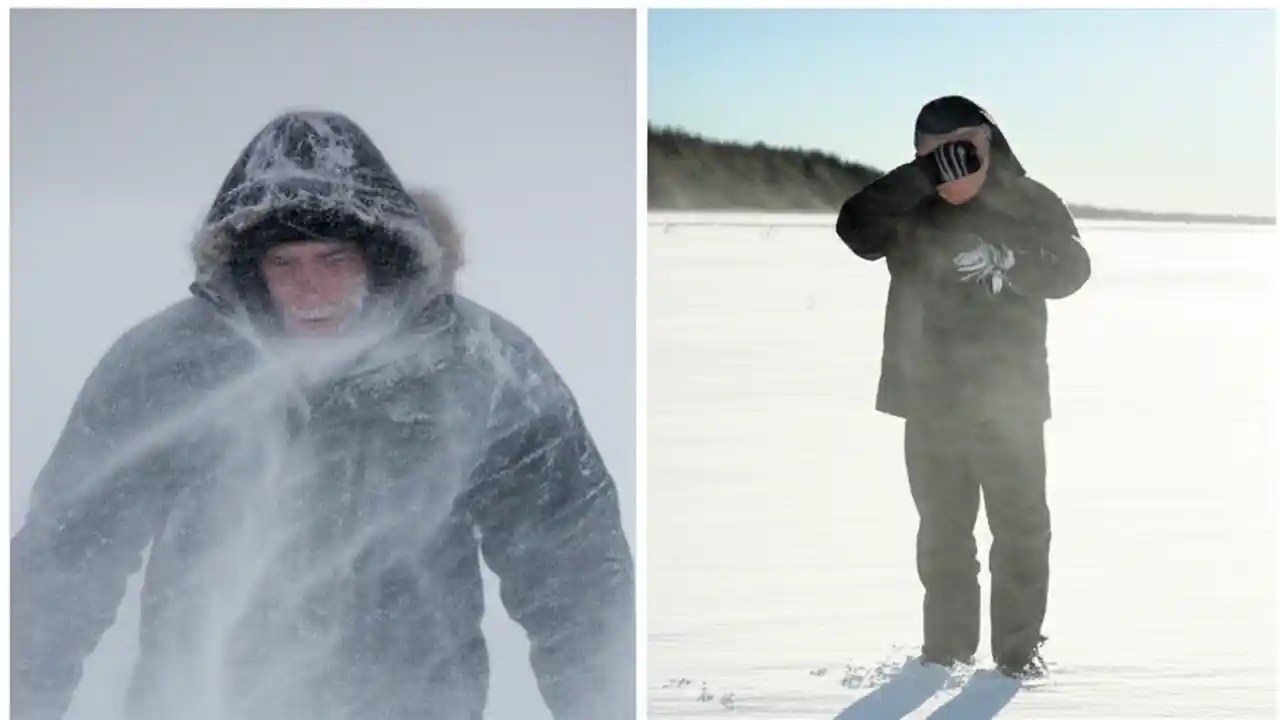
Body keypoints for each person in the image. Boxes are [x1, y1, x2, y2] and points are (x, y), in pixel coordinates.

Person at [11, 110, 635, 720]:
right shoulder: (168, 365)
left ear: (378, 257)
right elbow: (66, 556)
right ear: (249, 270)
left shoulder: (479, 364)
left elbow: (575, 571)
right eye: (284, 263)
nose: (310, 288)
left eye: (334, 259)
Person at [834, 96, 1090, 679]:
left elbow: (1074, 269)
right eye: (930, 157)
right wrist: (920, 177)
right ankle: (944, 651)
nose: (948, 173)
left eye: (958, 155)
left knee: (1021, 531)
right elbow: (855, 229)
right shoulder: (912, 207)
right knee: (943, 533)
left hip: (1010, 400)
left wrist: (1010, 261)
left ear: (985, 144)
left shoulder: (1029, 201)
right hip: (928, 398)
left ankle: (1017, 656)